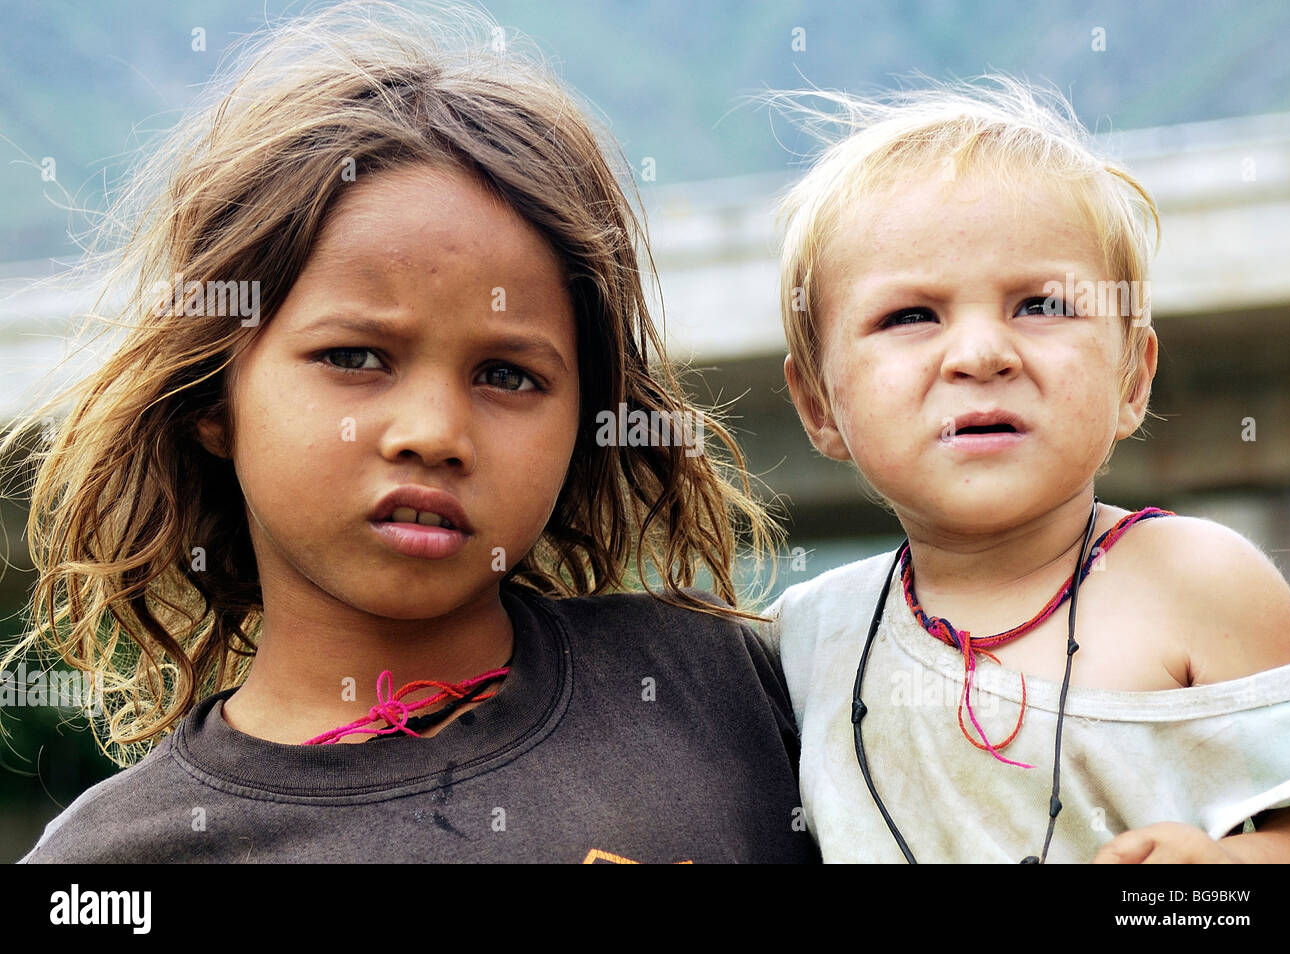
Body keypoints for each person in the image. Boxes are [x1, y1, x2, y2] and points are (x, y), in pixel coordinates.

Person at [7, 1, 815, 864]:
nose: (433, 433)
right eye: (355, 356)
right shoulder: (115, 864)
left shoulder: (721, 686)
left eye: (509, 375)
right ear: (213, 399)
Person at [761, 77, 1290, 863]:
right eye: (910, 316)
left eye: (1041, 306)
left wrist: (1219, 873)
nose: (981, 354)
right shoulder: (806, 640)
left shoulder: (1198, 581)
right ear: (818, 405)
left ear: (1133, 379)